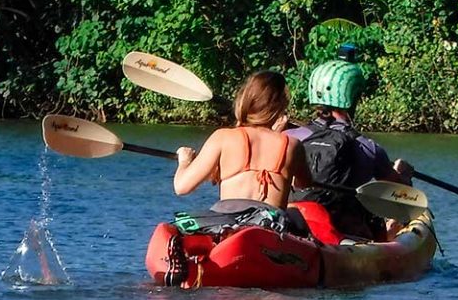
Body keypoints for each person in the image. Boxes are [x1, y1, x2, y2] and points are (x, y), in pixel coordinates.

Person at [285, 51, 414, 241]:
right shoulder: (368, 147)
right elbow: (400, 195)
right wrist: (404, 175)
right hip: (345, 235)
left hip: (294, 226)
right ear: (353, 98)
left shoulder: (288, 138)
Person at [172, 70, 311, 209]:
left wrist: (185, 161)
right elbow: (303, 184)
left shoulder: (223, 138)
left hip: (230, 223)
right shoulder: (292, 145)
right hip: (270, 225)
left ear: (245, 100)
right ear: (280, 107)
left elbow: (181, 187)